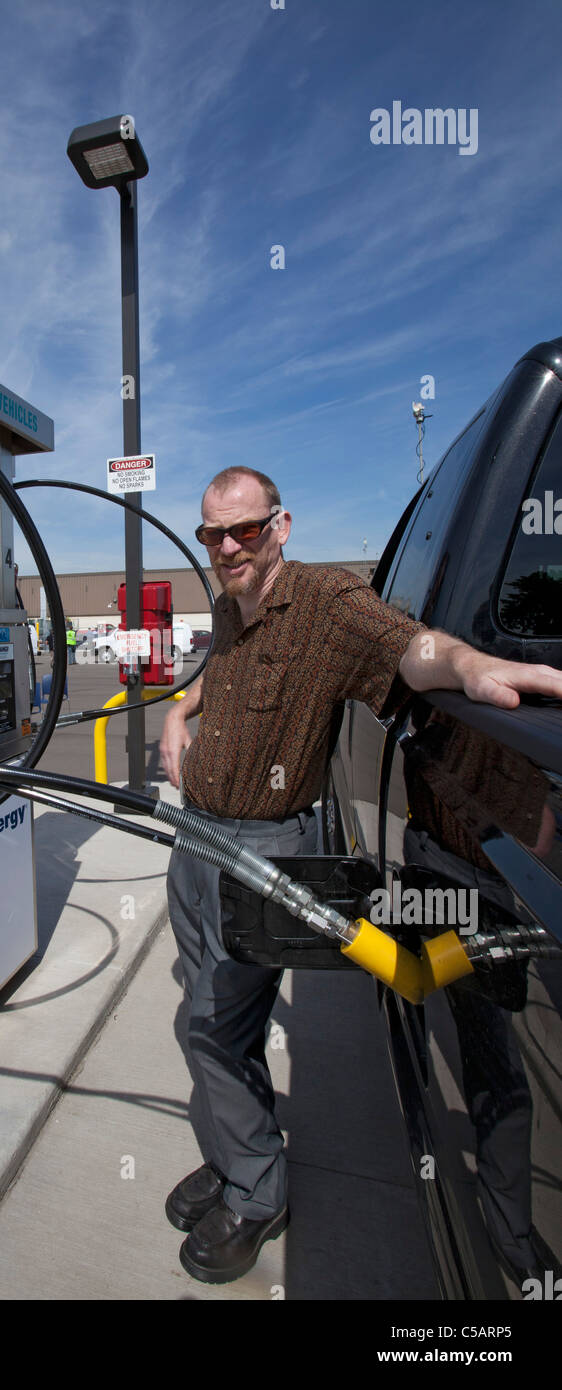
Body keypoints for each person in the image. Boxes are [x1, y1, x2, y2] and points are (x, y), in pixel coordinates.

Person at [159, 464, 562, 1285]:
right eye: (214, 534)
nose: (229, 546)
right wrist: (178, 708)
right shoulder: (230, 608)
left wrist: (470, 667)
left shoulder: (325, 604)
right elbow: (221, 681)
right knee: (215, 1019)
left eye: (245, 529)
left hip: (260, 852)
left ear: (281, 524)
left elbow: (407, 647)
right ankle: (247, 1145)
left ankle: (256, 1188)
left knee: (208, 1024)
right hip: (196, 840)